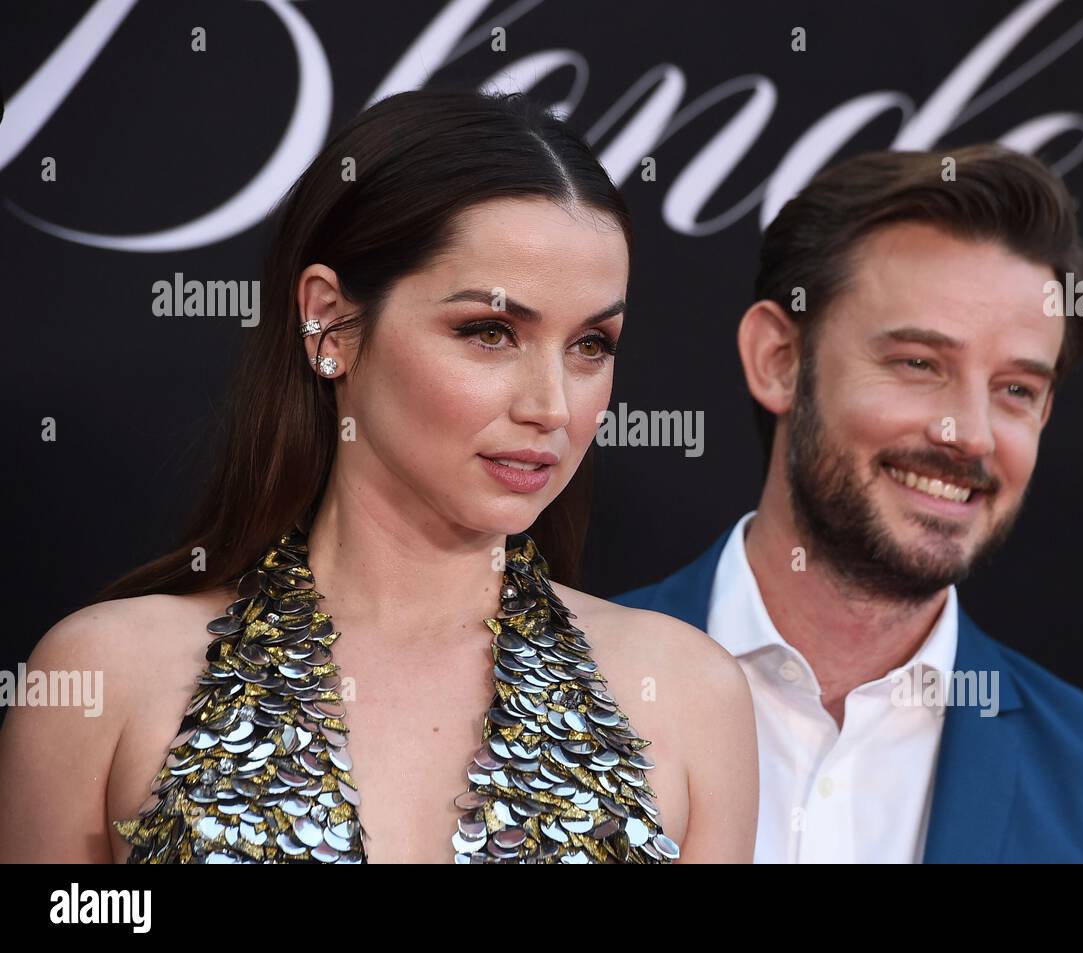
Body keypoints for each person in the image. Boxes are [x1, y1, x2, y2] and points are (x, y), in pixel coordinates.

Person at [0, 88, 758, 864]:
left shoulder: (690, 694)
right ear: (329, 322)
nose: (553, 406)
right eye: (490, 332)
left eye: (591, 344)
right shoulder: (105, 679)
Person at [614, 145, 1083, 863]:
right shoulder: (542, 685)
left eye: (1016, 388)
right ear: (778, 360)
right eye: (919, 364)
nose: (971, 434)